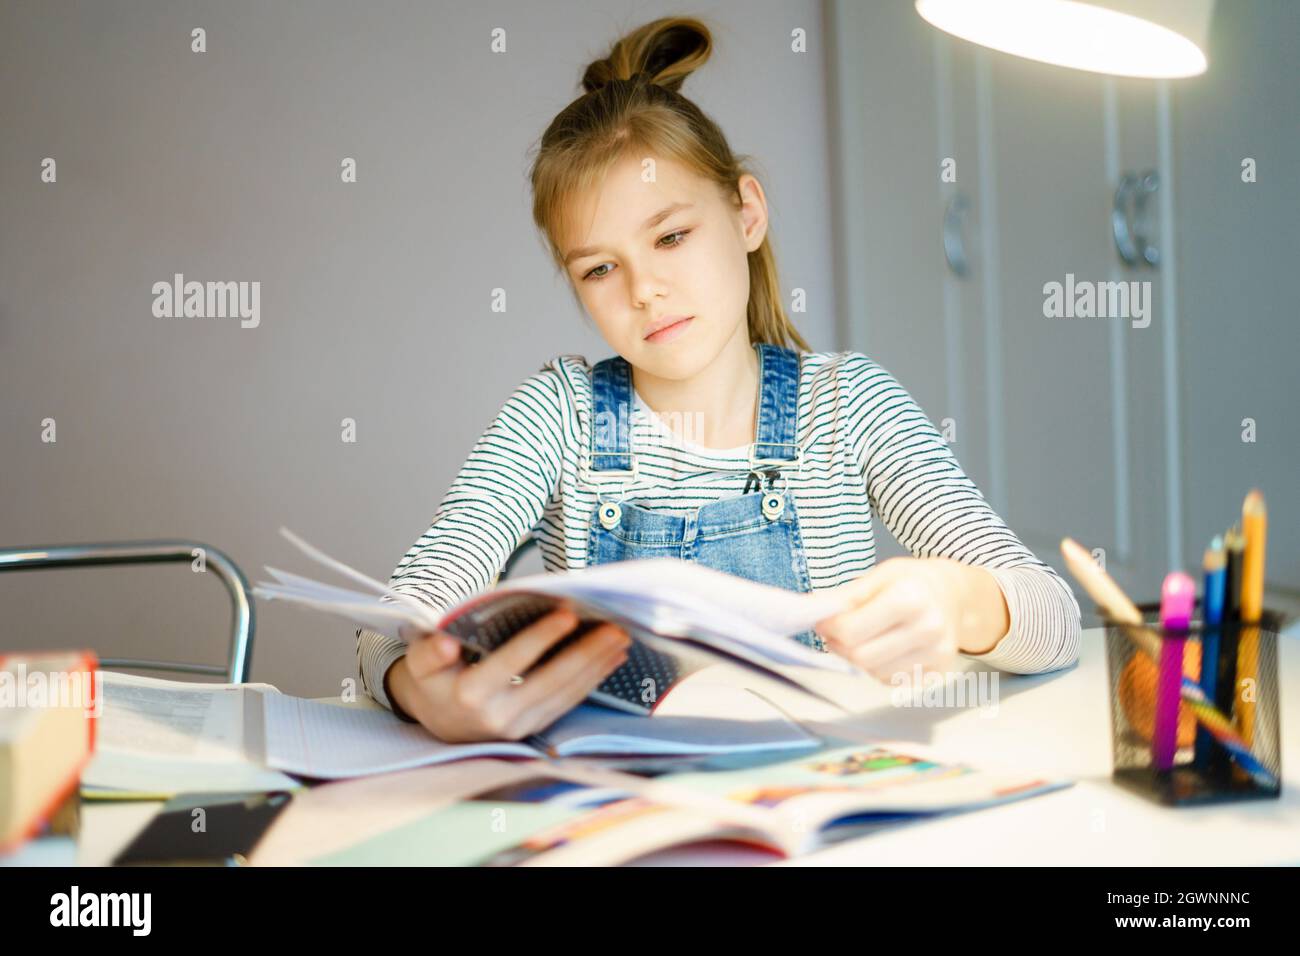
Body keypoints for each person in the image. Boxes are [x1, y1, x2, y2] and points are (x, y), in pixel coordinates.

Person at [358, 15, 1080, 744]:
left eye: (671, 236)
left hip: (814, 797)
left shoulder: (849, 405)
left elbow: (1055, 621)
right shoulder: (559, 415)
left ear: (747, 214)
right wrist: (419, 688)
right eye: (600, 268)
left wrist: (959, 600)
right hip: (612, 807)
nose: (645, 290)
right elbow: (388, 631)